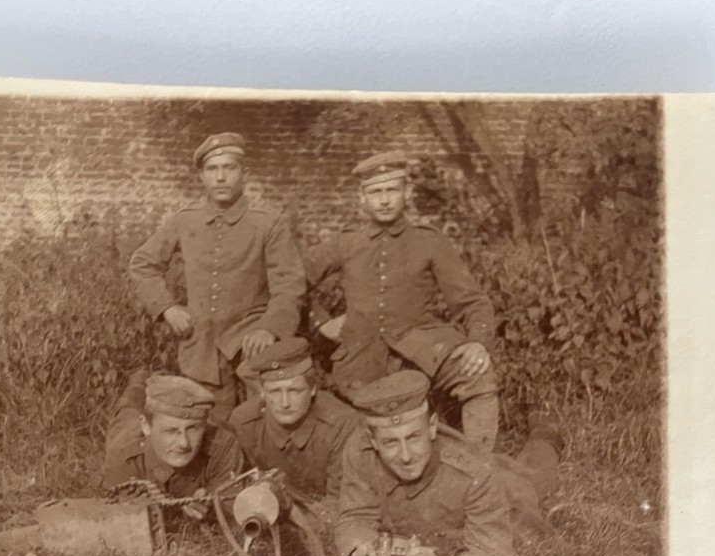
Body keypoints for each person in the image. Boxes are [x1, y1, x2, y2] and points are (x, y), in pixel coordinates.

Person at [304, 151, 500, 451]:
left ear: (406, 193)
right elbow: (293, 280)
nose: (384, 200)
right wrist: (322, 323)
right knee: (369, 438)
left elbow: (472, 301)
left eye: (392, 190)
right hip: (362, 356)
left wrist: (478, 342)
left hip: (422, 349)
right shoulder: (346, 243)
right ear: (362, 198)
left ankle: (479, 466)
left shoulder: (428, 241)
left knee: (478, 374)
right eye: (375, 192)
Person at [335, 370, 562, 556]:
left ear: (432, 427)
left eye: (413, 437)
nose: (405, 455)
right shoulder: (359, 453)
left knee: (534, 477)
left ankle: (545, 431)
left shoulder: (474, 473)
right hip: (473, 473)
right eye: (390, 442)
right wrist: (357, 548)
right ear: (373, 441)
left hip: (503, 491)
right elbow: (355, 516)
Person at [129, 132, 306, 419]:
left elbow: (290, 286)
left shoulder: (268, 223)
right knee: (212, 432)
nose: (221, 177)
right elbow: (142, 264)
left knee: (260, 425)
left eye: (229, 167)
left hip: (252, 347)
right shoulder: (185, 220)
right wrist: (167, 308)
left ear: (243, 173)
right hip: (201, 348)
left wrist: (270, 328)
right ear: (201, 176)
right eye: (212, 169)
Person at [228, 337, 361, 501]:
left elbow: (341, 502)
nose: (285, 403)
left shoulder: (341, 422)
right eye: (275, 392)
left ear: (312, 389)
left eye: (294, 391)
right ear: (262, 392)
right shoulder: (243, 421)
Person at [101, 371, 245, 519]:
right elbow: (119, 517)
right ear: (146, 426)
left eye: (193, 428)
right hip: (128, 424)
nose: (184, 443)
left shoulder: (223, 444)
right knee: (129, 405)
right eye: (171, 431)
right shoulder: (124, 455)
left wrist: (211, 508)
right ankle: (139, 382)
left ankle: (162, 378)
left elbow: (231, 508)